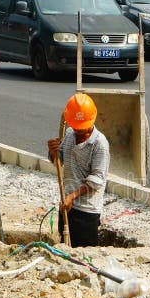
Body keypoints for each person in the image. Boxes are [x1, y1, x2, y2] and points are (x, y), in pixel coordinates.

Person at [46, 93, 110, 248]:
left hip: (86, 211)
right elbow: (58, 162)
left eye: (83, 130)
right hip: (67, 205)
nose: (80, 133)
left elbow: (96, 180)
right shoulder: (69, 134)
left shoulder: (99, 144)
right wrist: (52, 152)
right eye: (77, 129)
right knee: (65, 247)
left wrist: (73, 196)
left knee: (84, 255)